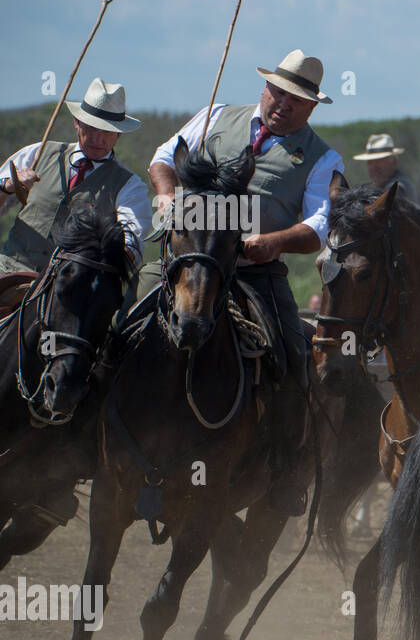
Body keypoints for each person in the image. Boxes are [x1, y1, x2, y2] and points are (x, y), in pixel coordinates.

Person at [148, 48, 344, 514]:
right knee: (123, 327)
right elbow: (162, 157)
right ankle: (100, 435)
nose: (283, 103)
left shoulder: (322, 157)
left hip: (255, 272)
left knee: (296, 357)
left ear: (312, 107)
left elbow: (321, 223)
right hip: (187, 260)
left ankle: (285, 468)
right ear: (265, 86)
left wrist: (274, 241)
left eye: (296, 100)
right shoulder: (217, 114)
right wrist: (166, 196)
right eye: (278, 91)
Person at [0, 77, 148, 274]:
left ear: (119, 134)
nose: (98, 139)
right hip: (9, 270)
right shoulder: (39, 153)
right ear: (77, 123)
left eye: (107, 132)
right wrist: (7, 186)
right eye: (91, 128)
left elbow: (130, 249)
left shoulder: (130, 186)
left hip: (72, 291)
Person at [353, 133, 418, 205]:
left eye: (379, 161)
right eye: (370, 162)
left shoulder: (396, 188)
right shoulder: (385, 186)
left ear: (394, 163)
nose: (374, 167)